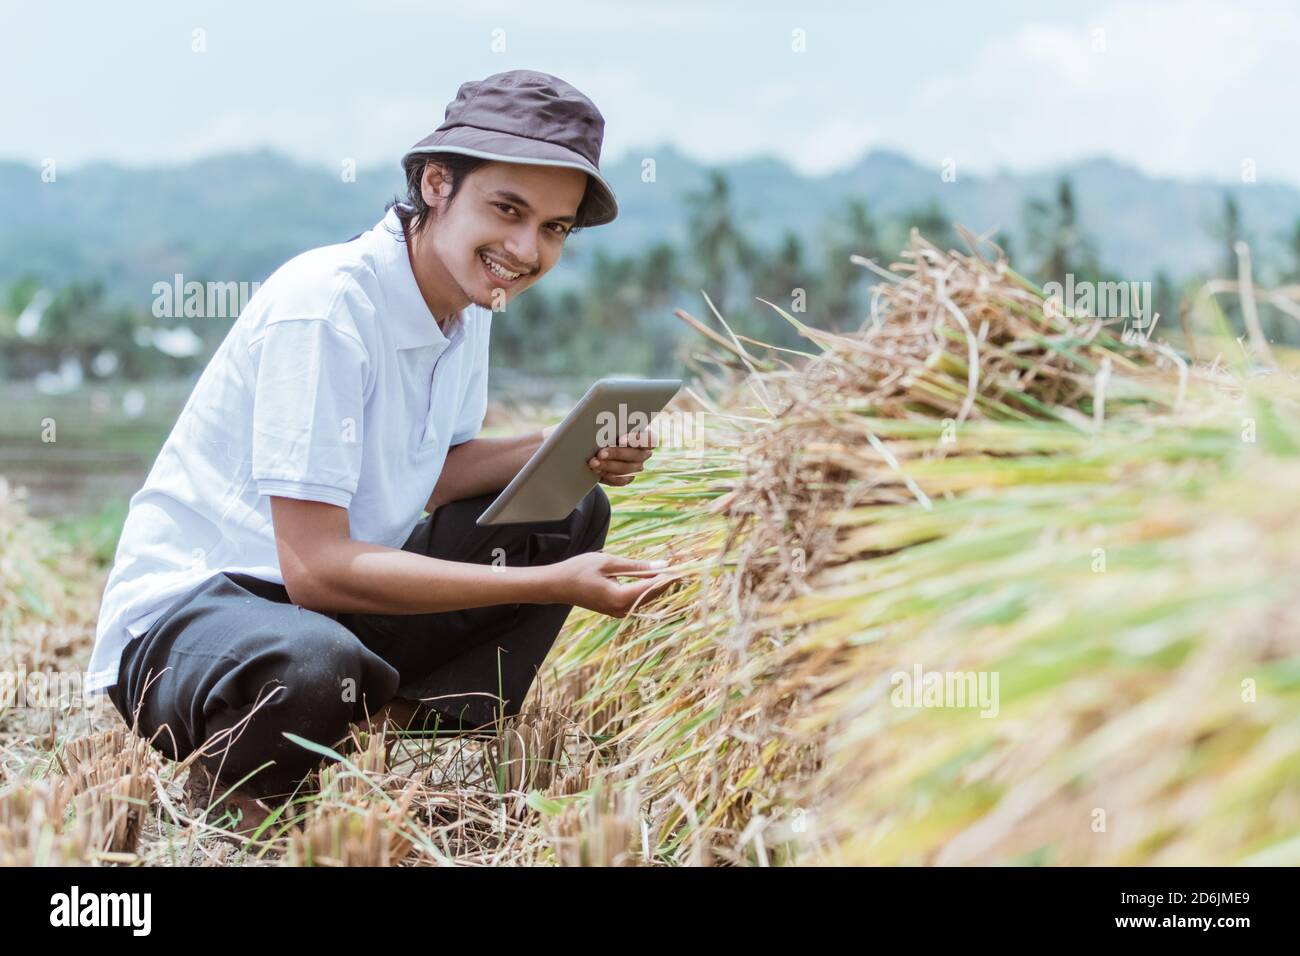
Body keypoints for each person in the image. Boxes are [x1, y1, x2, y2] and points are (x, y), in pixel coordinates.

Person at [86, 70, 672, 830]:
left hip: (319, 612)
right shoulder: (327, 309)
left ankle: (367, 730)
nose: (526, 249)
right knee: (312, 666)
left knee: (564, 506)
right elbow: (315, 567)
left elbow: (432, 475)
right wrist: (558, 582)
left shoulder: (469, 307)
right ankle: (238, 780)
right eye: (508, 209)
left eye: (555, 228)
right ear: (436, 183)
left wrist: (566, 445)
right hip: (198, 627)